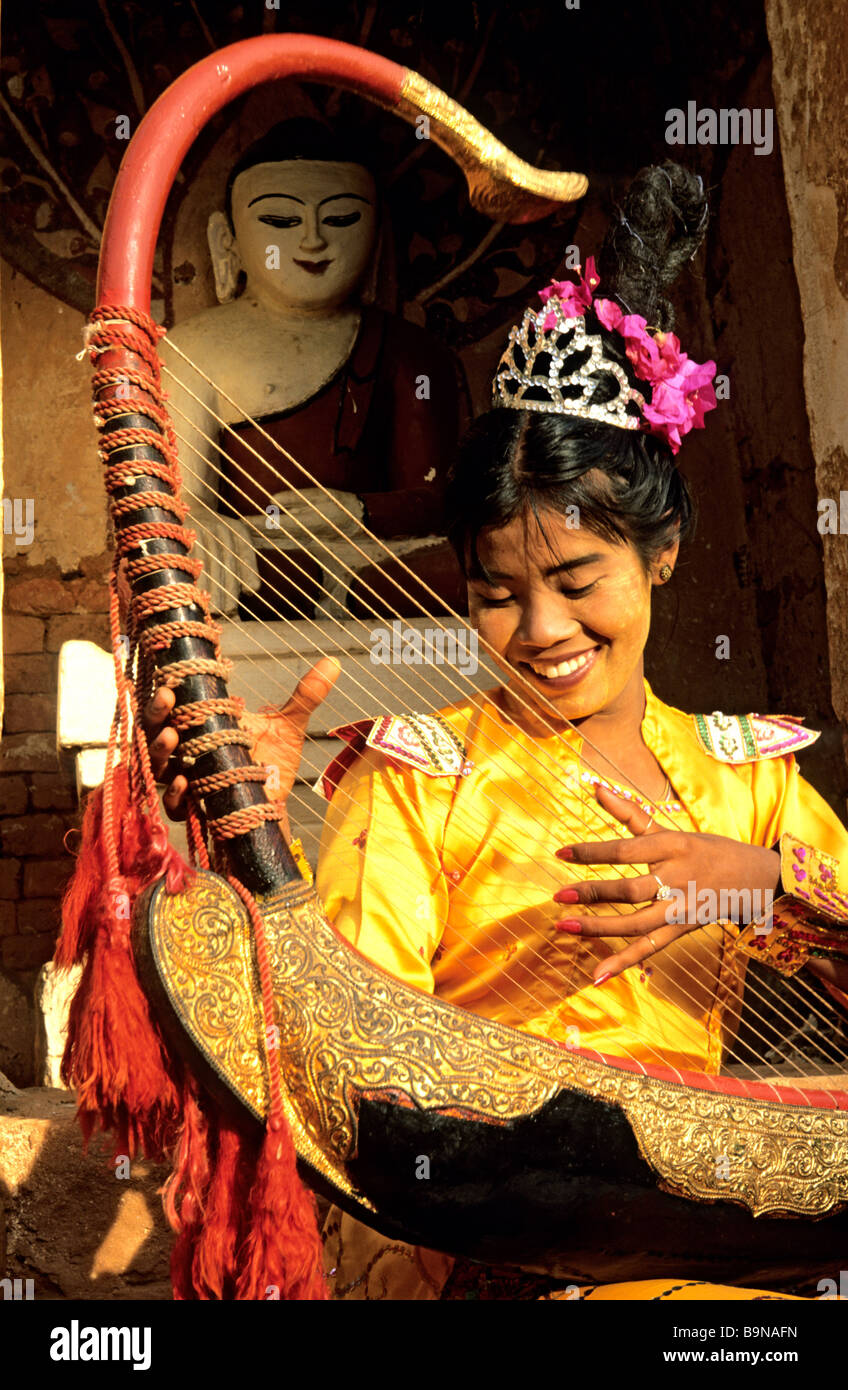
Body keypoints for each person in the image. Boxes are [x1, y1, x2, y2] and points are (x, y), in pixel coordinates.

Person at [144, 162, 848, 1300]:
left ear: (657, 556)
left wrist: (754, 885)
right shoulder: (421, 776)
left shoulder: (744, 777)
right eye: (493, 592)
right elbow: (344, 1057)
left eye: (577, 579)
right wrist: (256, 857)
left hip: (698, 1238)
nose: (539, 630)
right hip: (470, 1246)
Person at [162, 117, 468, 622]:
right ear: (228, 240)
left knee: (476, 569)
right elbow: (177, 498)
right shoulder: (196, 347)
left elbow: (438, 499)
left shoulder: (411, 352)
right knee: (174, 562)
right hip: (265, 560)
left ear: (376, 237)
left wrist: (357, 512)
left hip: (380, 561)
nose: (311, 242)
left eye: (342, 219)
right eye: (280, 222)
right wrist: (205, 528)